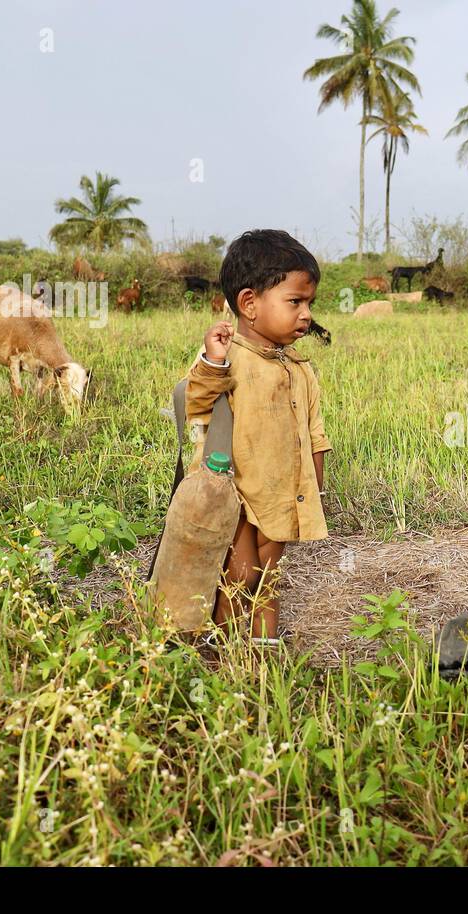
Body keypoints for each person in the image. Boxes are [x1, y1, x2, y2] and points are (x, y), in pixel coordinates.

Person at [184, 230, 332, 640]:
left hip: (280, 491)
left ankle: (264, 647)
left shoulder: (299, 367)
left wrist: (314, 483)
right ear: (249, 304)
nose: (306, 314)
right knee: (239, 573)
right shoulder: (229, 358)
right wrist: (211, 362)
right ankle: (224, 645)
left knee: (270, 574)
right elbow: (195, 404)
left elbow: (314, 432)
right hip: (235, 492)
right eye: (295, 302)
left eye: (309, 304)